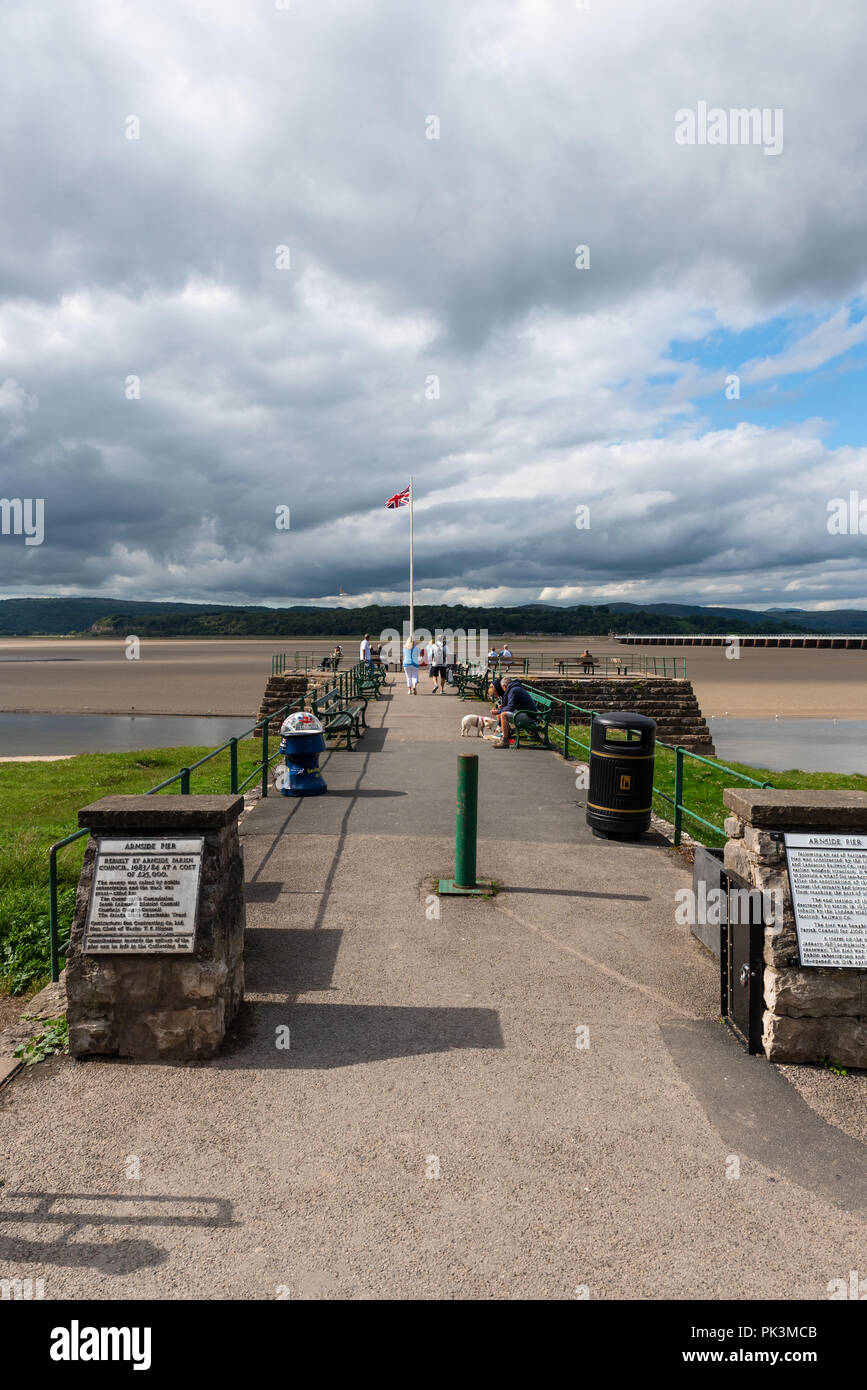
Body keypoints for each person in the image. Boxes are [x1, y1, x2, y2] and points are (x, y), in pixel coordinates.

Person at [490, 676, 536, 748]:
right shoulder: (515, 688)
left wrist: (498, 711)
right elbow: (511, 706)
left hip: (529, 715)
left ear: (504, 686)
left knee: (503, 715)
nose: (503, 690)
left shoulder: (513, 691)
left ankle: (505, 741)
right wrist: (502, 709)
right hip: (527, 713)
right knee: (503, 712)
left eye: (503, 688)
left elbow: (511, 707)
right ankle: (507, 734)